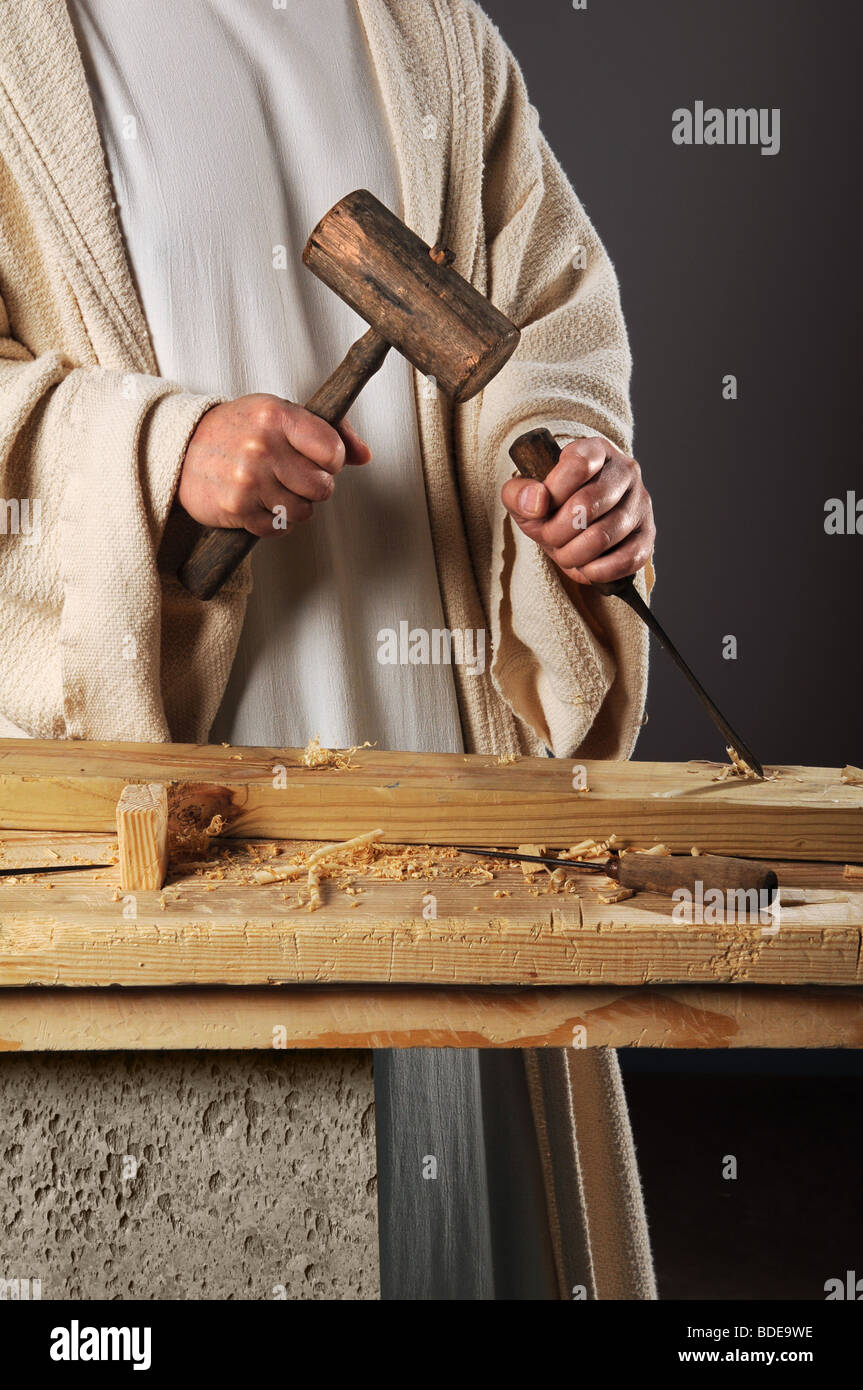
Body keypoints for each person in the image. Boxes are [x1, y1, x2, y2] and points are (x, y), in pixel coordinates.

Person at [0, 0, 656, 1298]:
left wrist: (568, 469)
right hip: (170, 826)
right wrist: (150, 455)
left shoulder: (426, 25)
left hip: (436, 785)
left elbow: (545, 318)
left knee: (451, 1242)